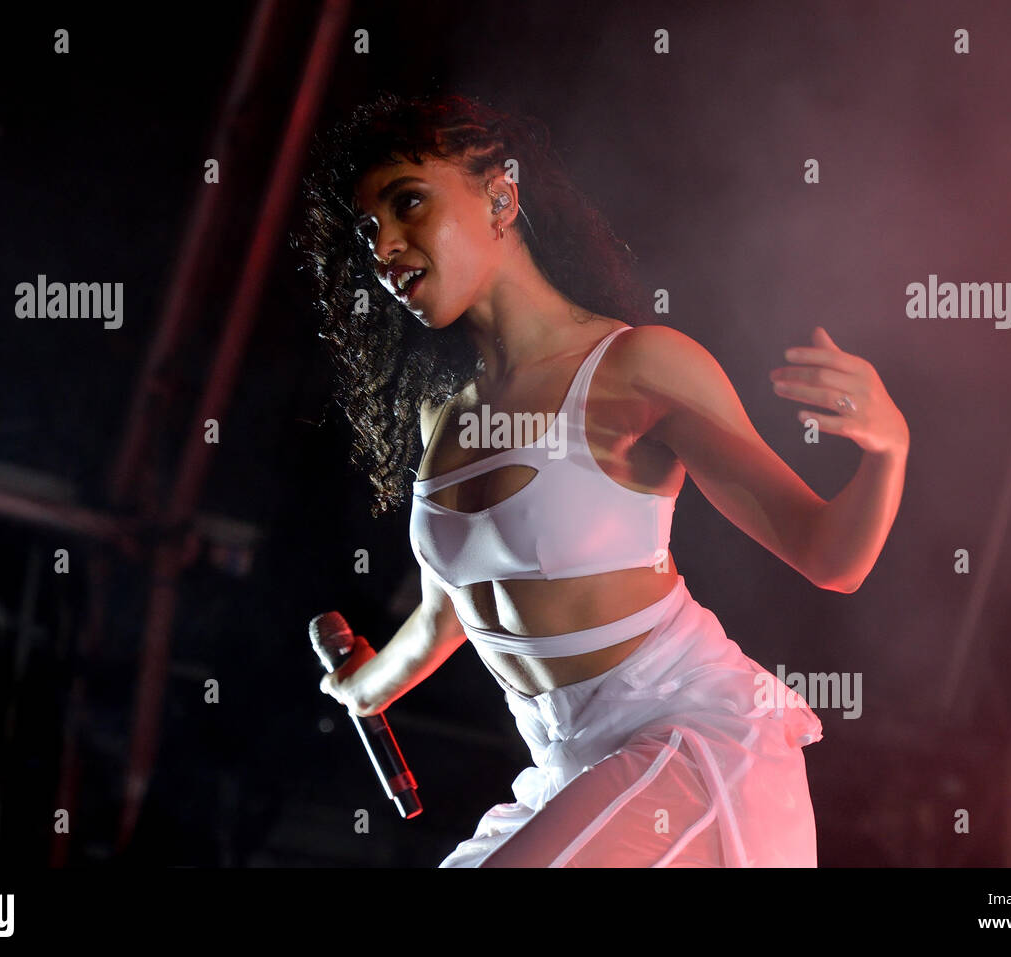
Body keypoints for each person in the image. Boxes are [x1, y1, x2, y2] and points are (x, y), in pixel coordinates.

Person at [299, 91, 909, 866]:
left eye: (407, 203)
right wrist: (364, 688)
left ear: (501, 196)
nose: (382, 246)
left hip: (691, 742)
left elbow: (832, 556)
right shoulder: (440, 418)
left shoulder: (636, 368)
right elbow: (445, 613)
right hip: (570, 773)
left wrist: (888, 449)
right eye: (367, 229)